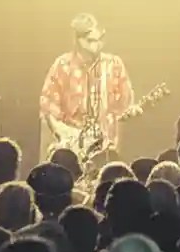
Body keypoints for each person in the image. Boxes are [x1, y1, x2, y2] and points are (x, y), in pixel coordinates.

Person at [39, 13, 135, 158]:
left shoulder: (114, 65)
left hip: (106, 150)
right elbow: (49, 108)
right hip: (72, 149)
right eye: (91, 40)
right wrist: (71, 137)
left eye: (99, 40)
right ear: (78, 40)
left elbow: (125, 104)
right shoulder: (62, 65)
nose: (97, 45)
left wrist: (130, 111)